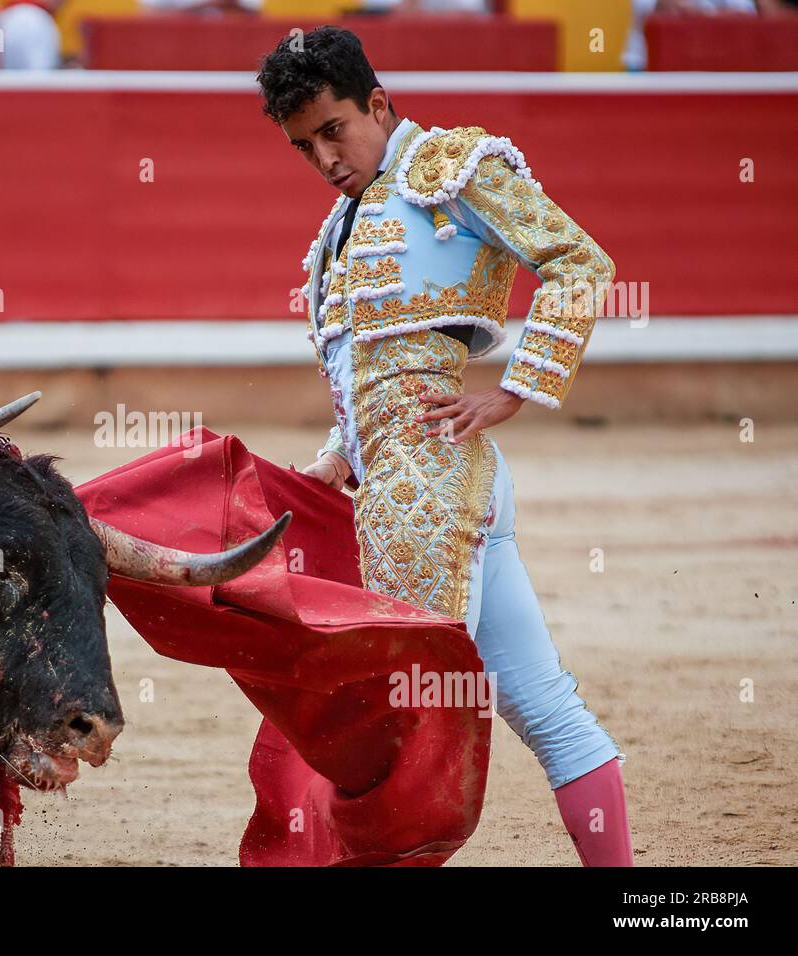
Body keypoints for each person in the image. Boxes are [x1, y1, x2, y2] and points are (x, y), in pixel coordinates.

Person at [257, 25, 634, 865]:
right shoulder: (341, 228)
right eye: (303, 144)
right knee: (539, 703)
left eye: (334, 130)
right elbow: (377, 369)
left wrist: (517, 389)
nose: (324, 157)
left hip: (430, 488)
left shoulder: (452, 171)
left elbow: (578, 260)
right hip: (419, 486)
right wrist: (340, 454)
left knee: (390, 728)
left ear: (379, 104)